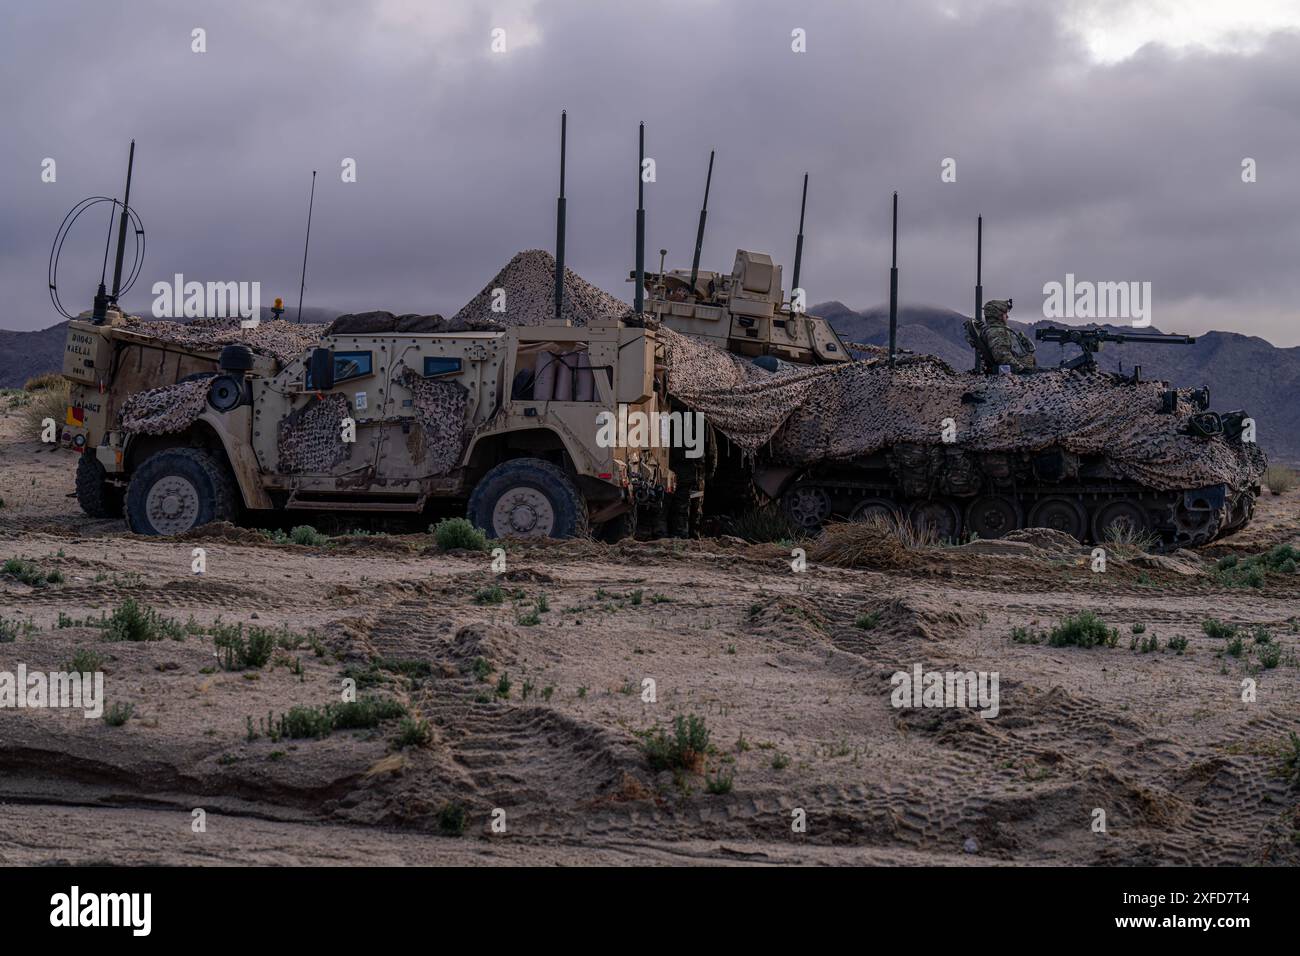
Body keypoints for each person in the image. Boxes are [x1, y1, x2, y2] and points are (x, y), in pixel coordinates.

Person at [979, 298, 1036, 372]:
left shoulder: (996, 330)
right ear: (998, 315)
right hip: (1018, 374)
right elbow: (1003, 356)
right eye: (1005, 314)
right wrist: (1021, 369)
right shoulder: (997, 332)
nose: (1007, 317)